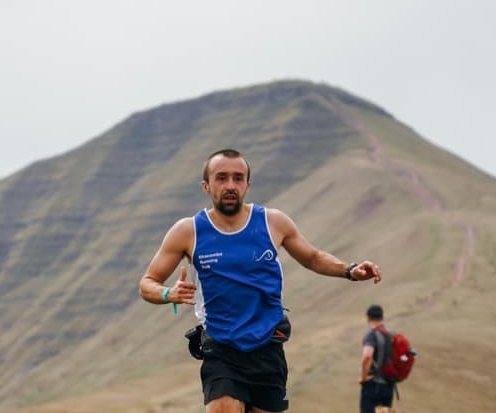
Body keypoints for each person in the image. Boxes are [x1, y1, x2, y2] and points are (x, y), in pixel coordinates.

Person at [139, 149, 382, 413]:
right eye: (221, 178)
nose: (230, 185)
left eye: (238, 178)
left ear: (247, 185)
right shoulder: (188, 231)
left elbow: (312, 257)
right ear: (206, 186)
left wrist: (350, 269)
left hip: (268, 347)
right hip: (221, 349)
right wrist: (168, 294)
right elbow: (147, 282)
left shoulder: (272, 222)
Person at [358, 304, 395, 413]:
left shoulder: (371, 334)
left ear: (368, 318)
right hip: (389, 386)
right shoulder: (390, 335)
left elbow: (367, 356)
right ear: (382, 318)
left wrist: (364, 378)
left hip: (373, 386)